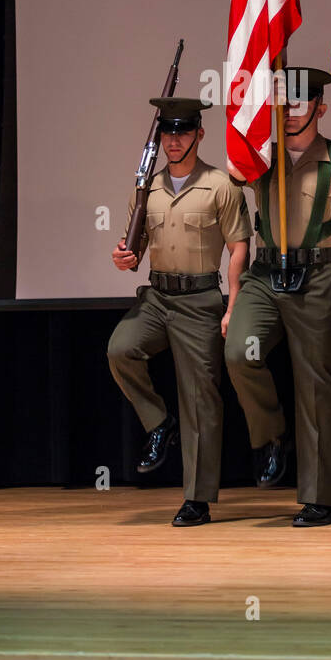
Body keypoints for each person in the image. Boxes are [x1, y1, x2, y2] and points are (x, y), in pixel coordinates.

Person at [224, 67, 331, 527]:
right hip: (266, 274)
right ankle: (271, 436)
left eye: (300, 104)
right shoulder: (262, 157)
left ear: (320, 108)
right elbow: (233, 177)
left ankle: (318, 498)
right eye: (283, 104)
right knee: (238, 353)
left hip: (317, 276)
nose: (289, 113)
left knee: (315, 386)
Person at [107, 97, 251, 526]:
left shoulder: (220, 185)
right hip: (157, 296)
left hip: (200, 301)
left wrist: (234, 306)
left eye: (183, 132)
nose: (173, 141)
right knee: (121, 350)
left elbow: (239, 245)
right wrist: (123, 256)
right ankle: (159, 421)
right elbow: (134, 247)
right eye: (167, 133)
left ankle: (197, 498)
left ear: (198, 135)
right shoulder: (145, 188)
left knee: (200, 398)